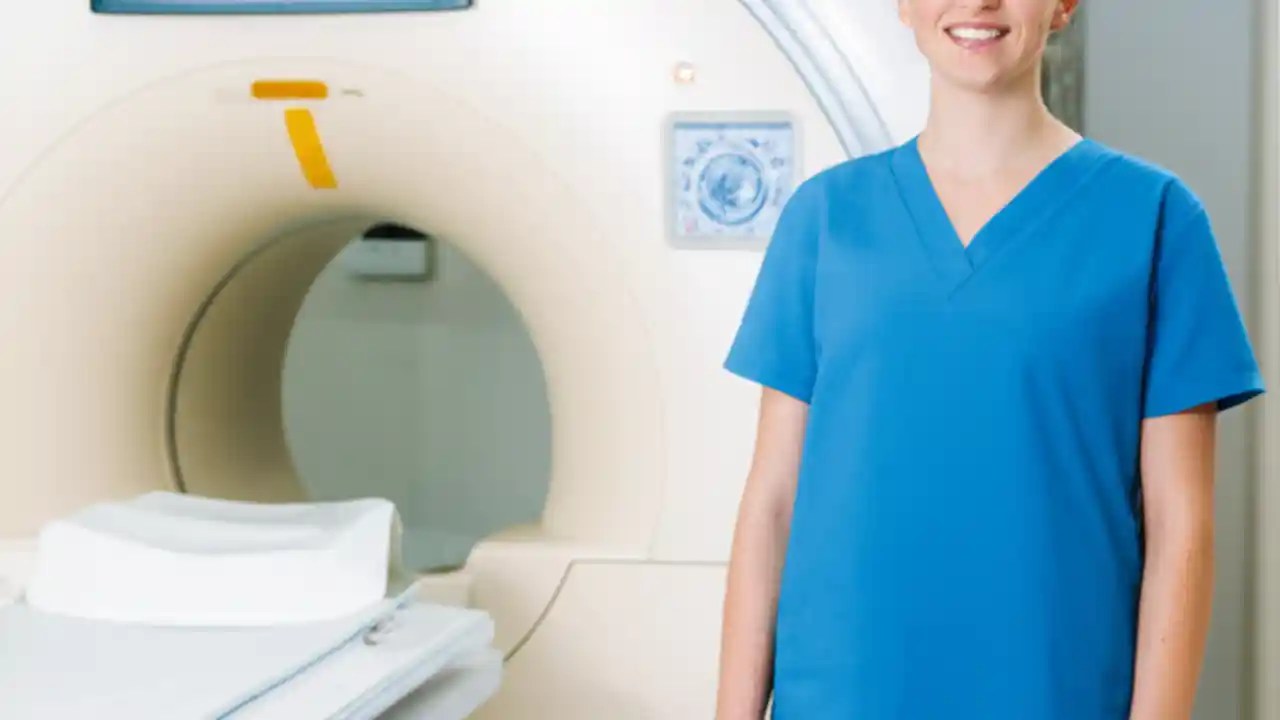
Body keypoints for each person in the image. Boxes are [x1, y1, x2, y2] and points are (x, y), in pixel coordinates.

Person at [714, 1, 1266, 718]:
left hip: (1054, 688)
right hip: (842, 690)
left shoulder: (1155, 218)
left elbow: (1181, 526)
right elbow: (772, 504)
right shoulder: (825, 217)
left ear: (1064, 5)